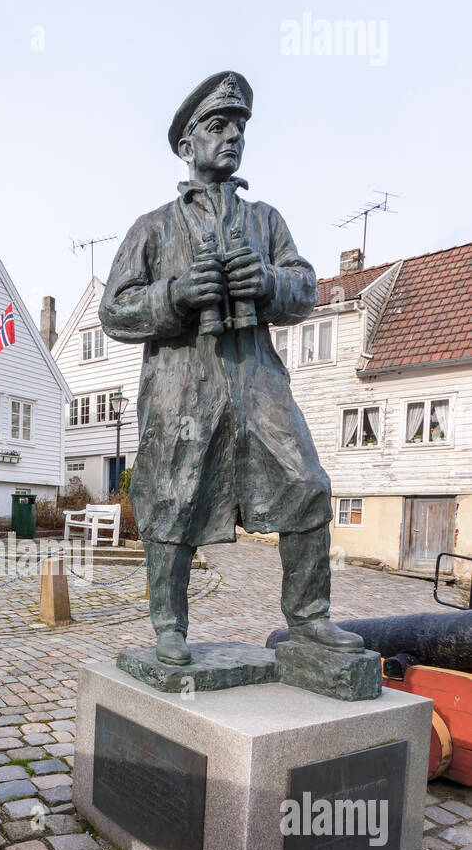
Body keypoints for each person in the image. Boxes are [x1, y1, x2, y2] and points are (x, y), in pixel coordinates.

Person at [99, 70, 363, 665]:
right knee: (171, 497)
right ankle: (169, 627)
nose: (233, 137)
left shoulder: (265, 220)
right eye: (218, 126)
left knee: (307, 485)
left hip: (257, 381)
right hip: (181, 389)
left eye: (239, 127)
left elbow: (305, 289)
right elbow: (114, 310)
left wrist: (269, 283)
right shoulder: (155, 227)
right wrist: (174, 295)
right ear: (187, 143)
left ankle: (310, 620)